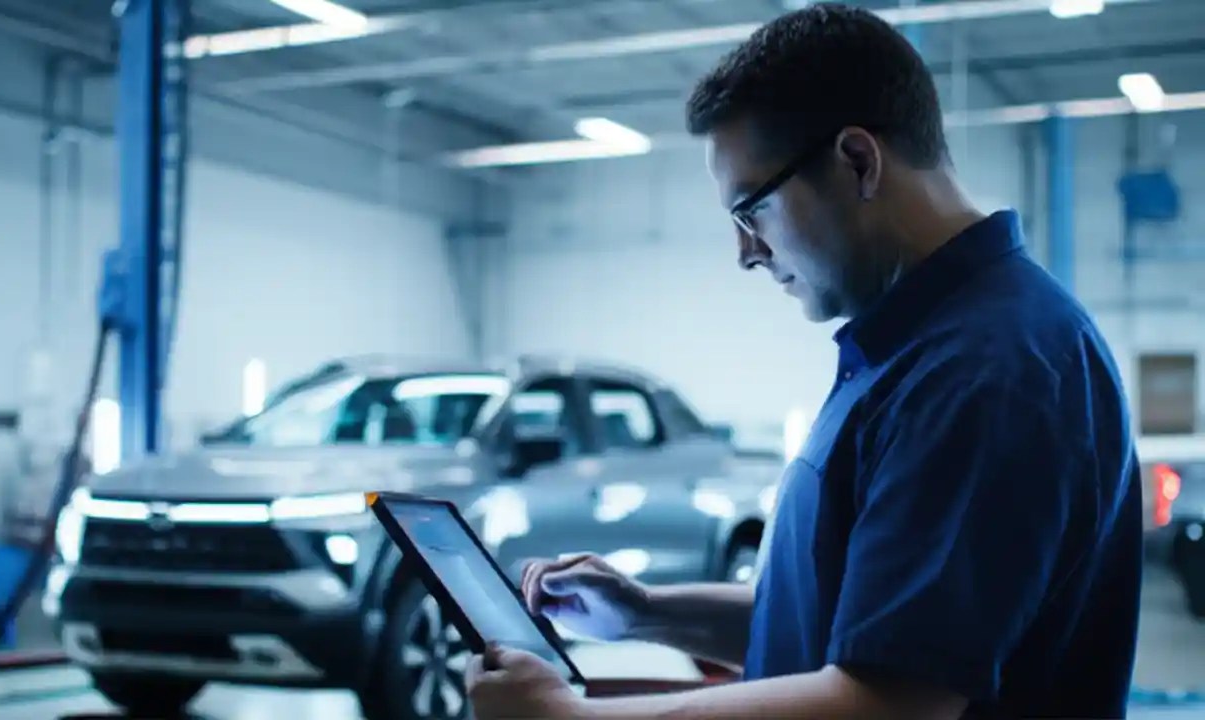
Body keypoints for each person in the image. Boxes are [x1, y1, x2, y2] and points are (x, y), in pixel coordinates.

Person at [465, 3, 1143, 719]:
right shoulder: (917, 350)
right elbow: (860, 634)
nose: (745, 253)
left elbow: (886, 702)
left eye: (749, 211)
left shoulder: (988, 368)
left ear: (857, 161)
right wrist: (647, 615)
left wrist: (573, 719)